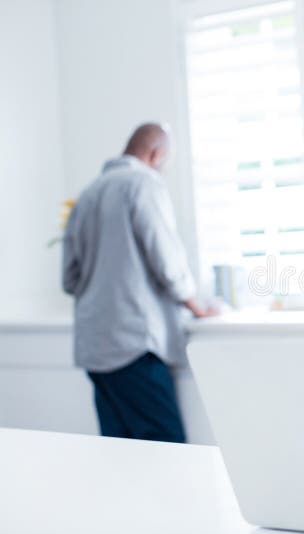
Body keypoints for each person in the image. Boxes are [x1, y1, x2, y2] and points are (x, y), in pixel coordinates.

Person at [62, 123, 217, 443]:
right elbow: (168, 262)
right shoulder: (144, 184)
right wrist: (196, 305)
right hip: (134, 345)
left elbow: (69, 279)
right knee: (168, 450)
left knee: (120, 453)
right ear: (156, 154)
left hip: (93, 345)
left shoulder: (88, 194)